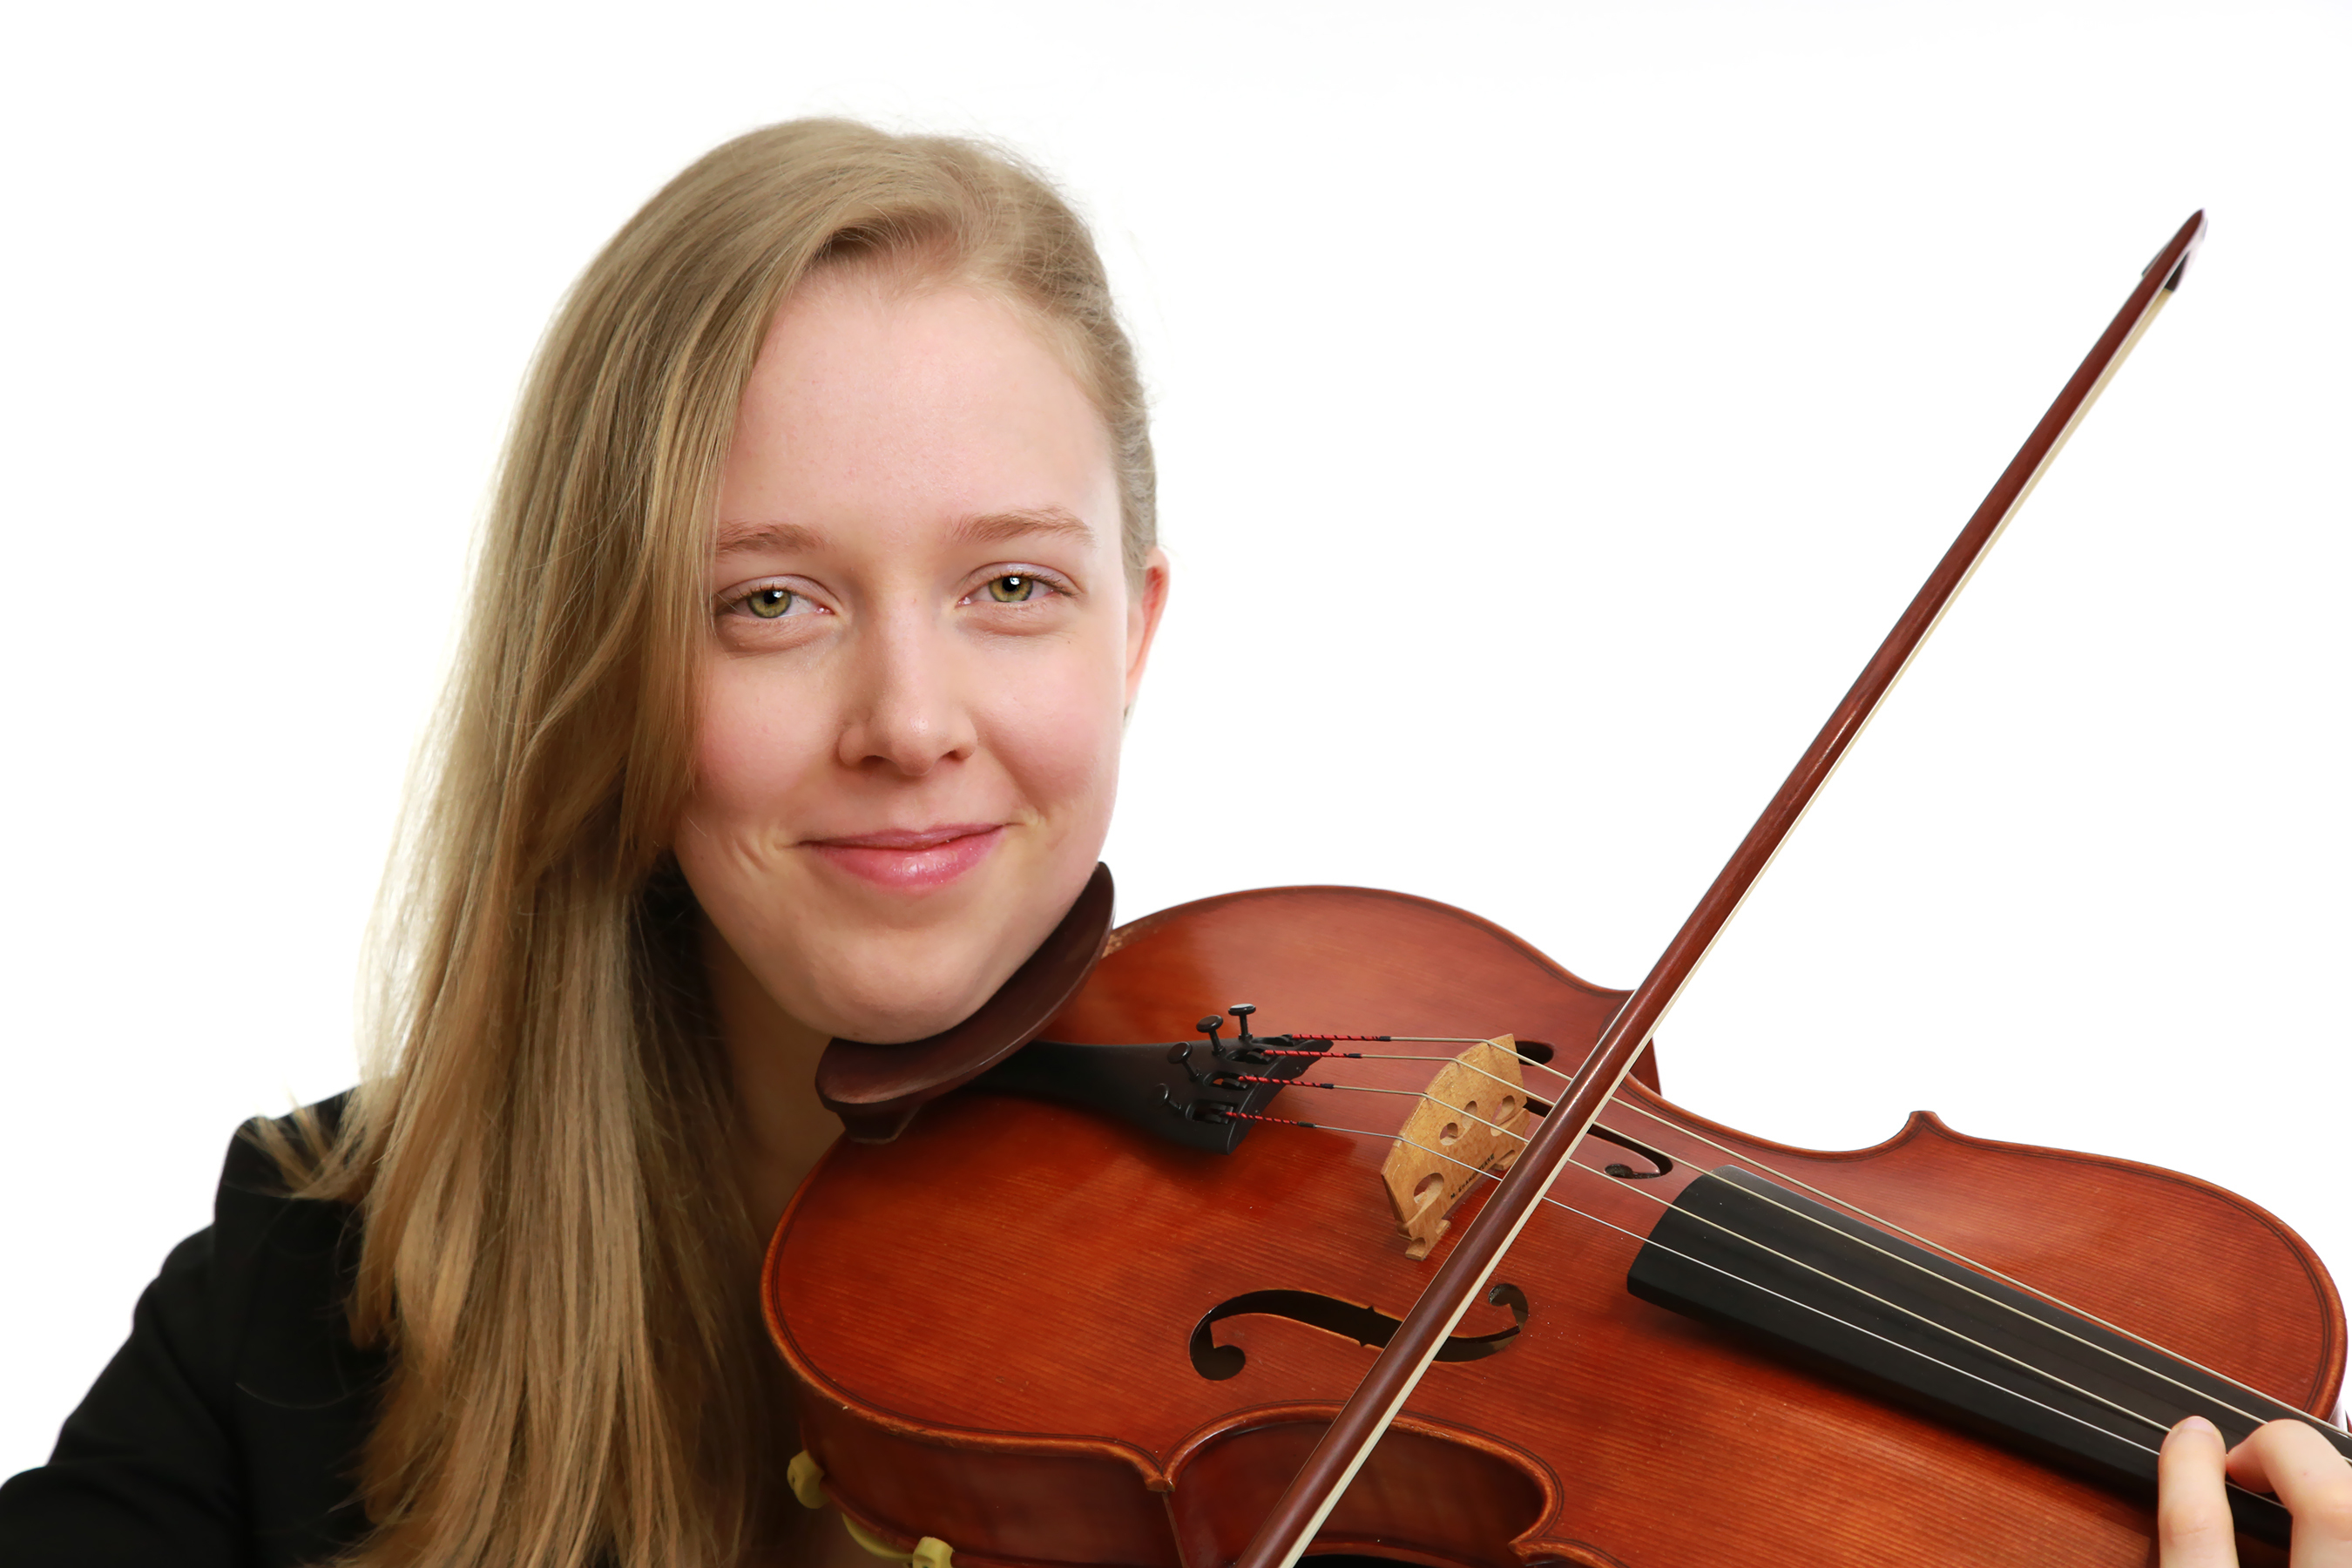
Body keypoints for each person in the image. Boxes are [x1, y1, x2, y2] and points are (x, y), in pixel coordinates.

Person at [0, 118, 2342, 1568]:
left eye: (1006, 584)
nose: (911, 721)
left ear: (1128, 634)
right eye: (769, 603)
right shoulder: (312, 1306)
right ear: (601, 664)